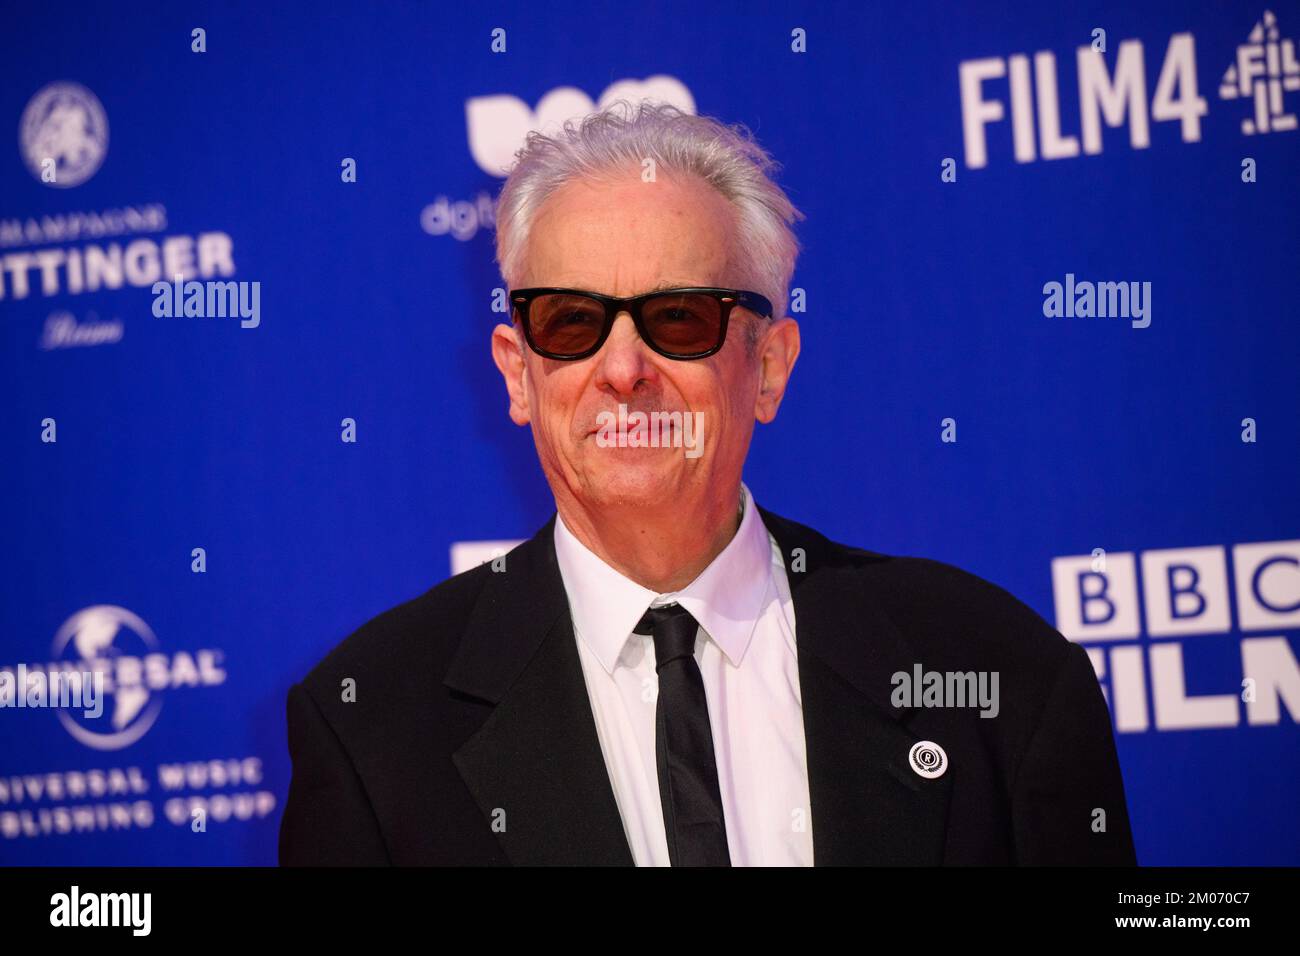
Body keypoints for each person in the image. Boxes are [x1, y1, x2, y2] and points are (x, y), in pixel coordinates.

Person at [279, 100, 1136, 866]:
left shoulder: (994, 671)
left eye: (678, 317)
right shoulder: (372, 728)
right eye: (571, 321)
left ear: (769, 367)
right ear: (517, 372)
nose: (622, 370)